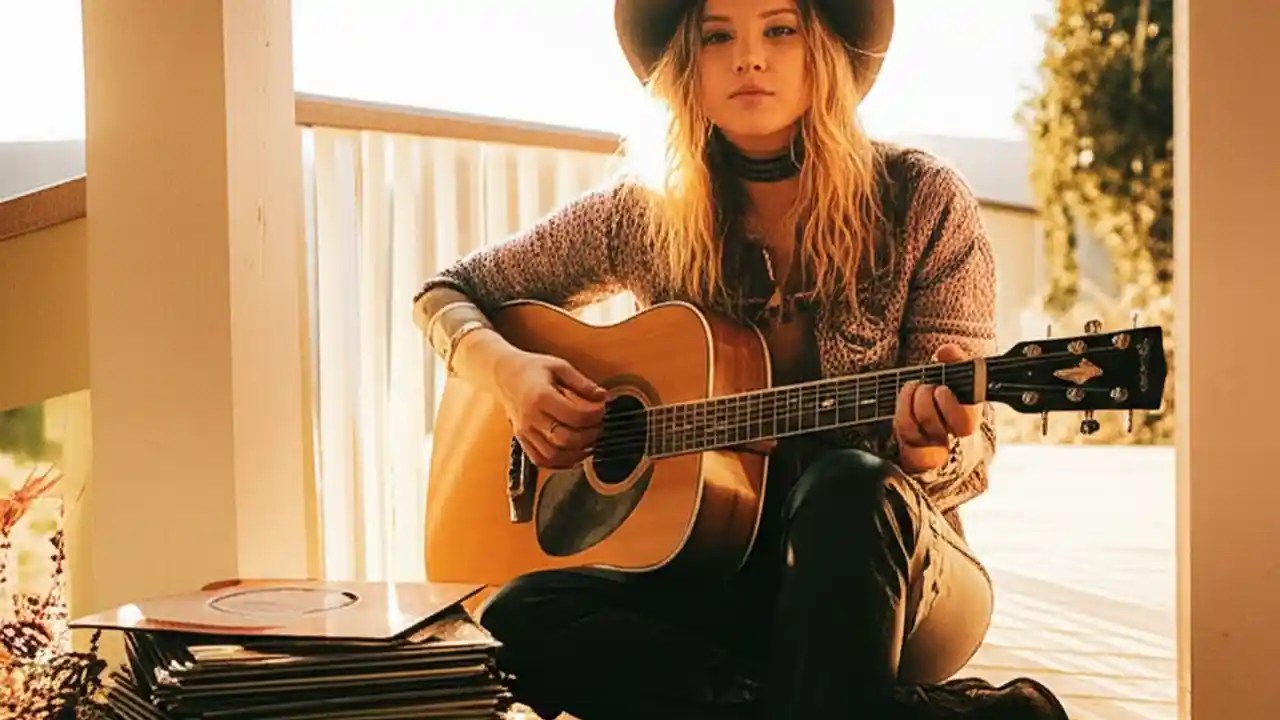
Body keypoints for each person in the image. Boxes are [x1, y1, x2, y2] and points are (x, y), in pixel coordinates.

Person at [413, 1, 1070, 718]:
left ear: (823, 49)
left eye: (779, 29)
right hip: (707, 579)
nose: (748, 57)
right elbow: (449, 291)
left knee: (846, 484)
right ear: (684, 67)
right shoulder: (642, 216)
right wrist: (510, 374)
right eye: (717, 35)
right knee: (514, 618)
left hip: (894, 578)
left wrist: (928, 448)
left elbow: (969, 457)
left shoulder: (919, 200)